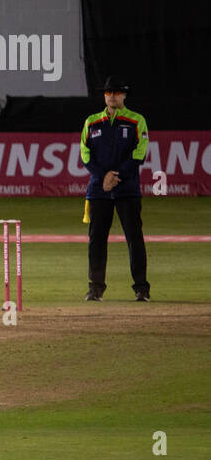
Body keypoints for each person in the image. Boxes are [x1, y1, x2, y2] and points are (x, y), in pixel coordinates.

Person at [81, 76, 150, 301]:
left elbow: (140, 152)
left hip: (126, 187)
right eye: (108, 92)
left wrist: (116, 176)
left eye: (117, 92)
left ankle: (141, 288)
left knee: (134, 237)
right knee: (97, 240)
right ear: (104, 95)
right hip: (99, 188)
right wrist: (104, 176)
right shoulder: (91, 121)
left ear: (124, 95)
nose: (112, 96)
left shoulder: (136, 120)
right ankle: (96, 288)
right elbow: (85, 153)